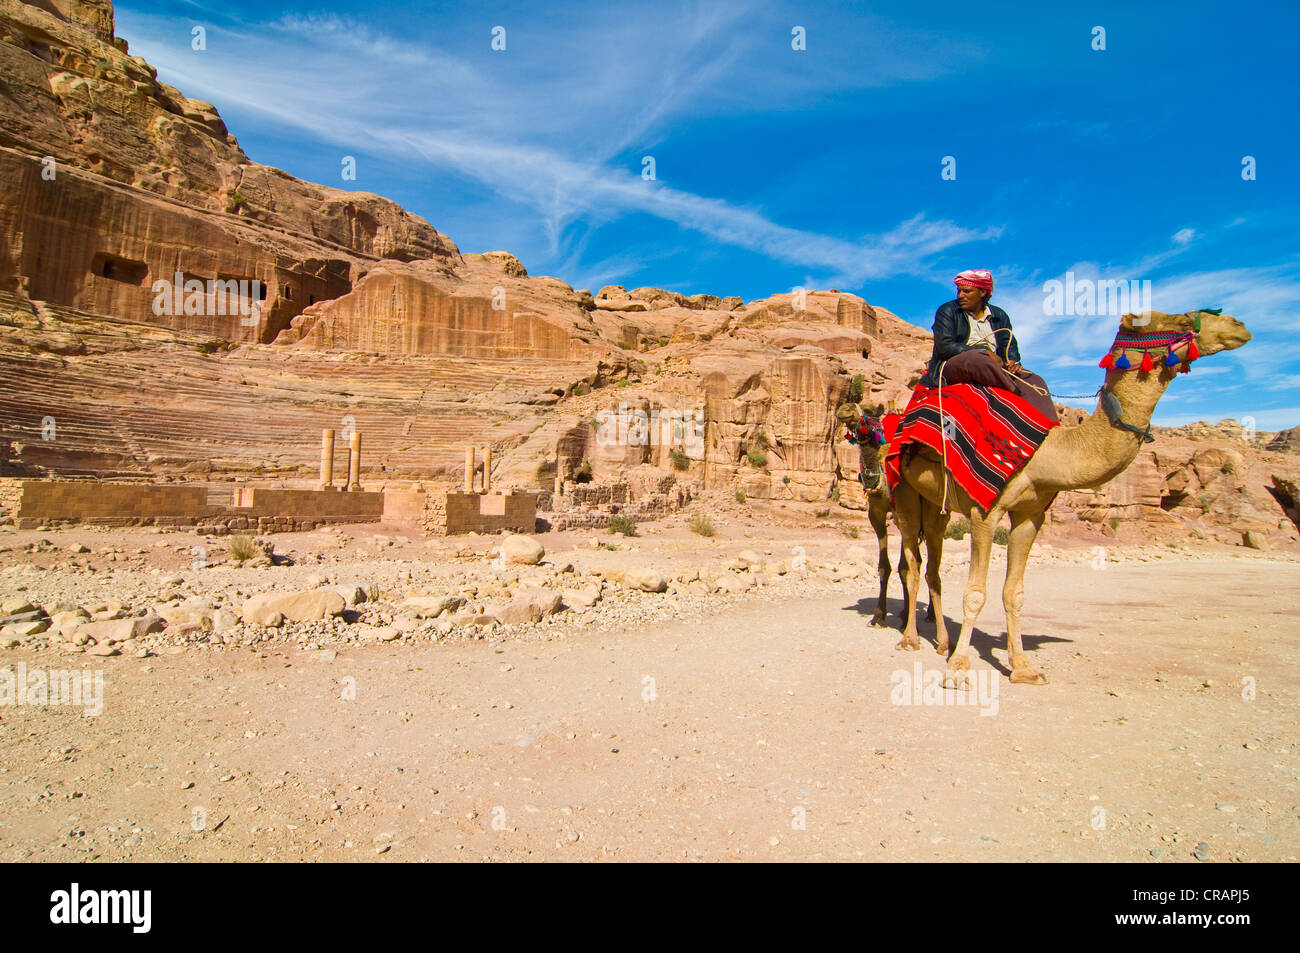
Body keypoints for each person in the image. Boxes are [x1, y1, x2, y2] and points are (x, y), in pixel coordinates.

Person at [919, 269, 1058, 422]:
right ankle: (1014, 395)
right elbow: (945, 347)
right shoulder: (948, 311)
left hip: (992, 365)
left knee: (1034, 379)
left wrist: (1013, 361)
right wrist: (984, 352)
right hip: (954, 364)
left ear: (983, 292)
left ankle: (1049, 427)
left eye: (967, 291)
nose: (960, 296)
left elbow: (1009, 345)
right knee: (978, 358)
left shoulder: (999, 315)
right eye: (959, 291)